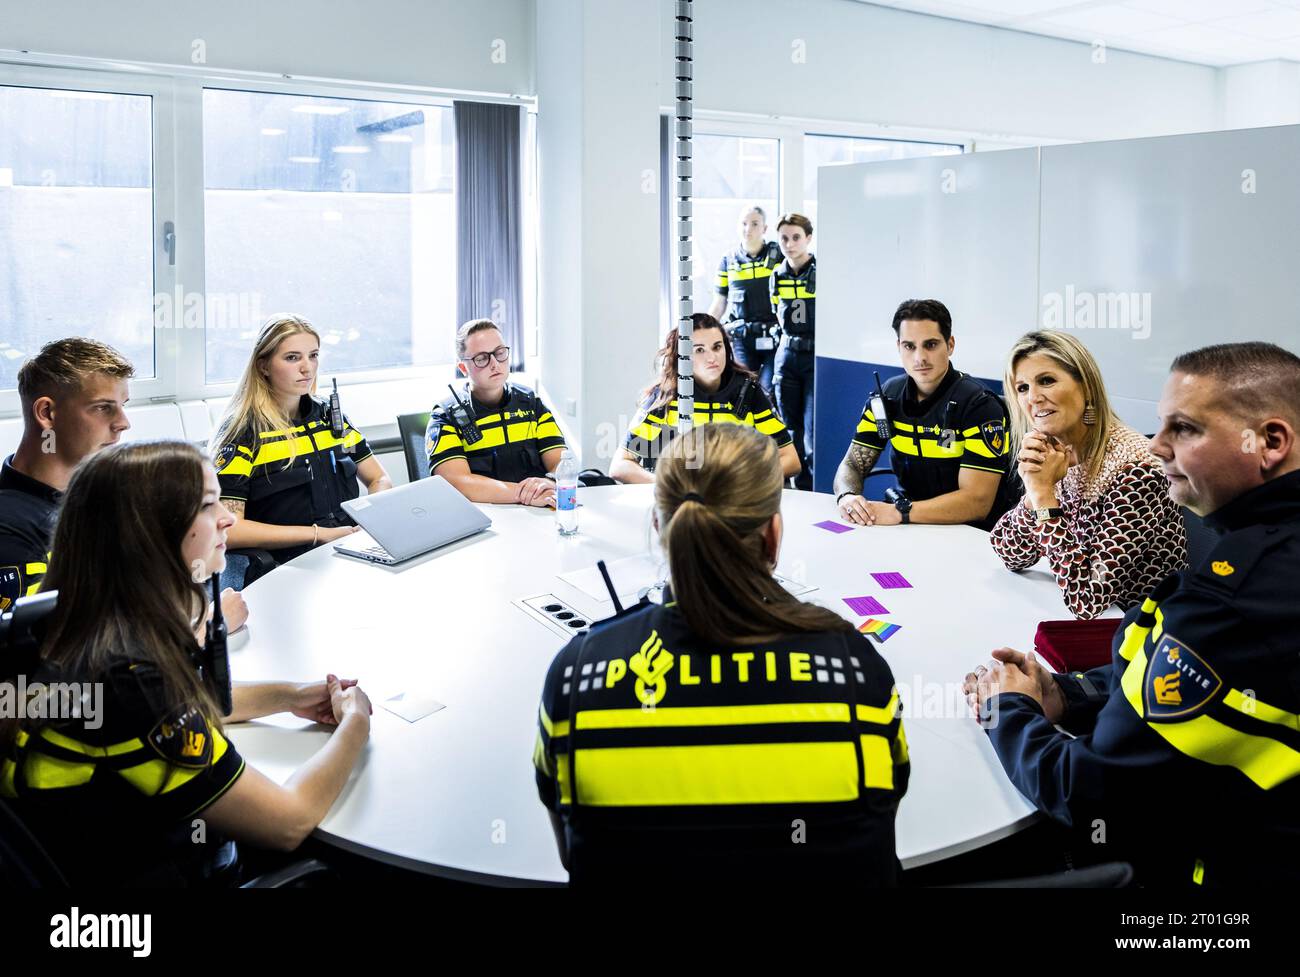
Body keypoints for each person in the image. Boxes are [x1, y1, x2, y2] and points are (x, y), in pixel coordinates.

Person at [963, 342, 1300, 888]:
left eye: (1184, 429)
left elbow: (1091, 791)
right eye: (1022, 387)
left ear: (1270, 442)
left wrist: (1008, 710)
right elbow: (1010, 548)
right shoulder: (1063, 453)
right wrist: (1067, 695)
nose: (1158, 445)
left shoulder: (1219, 594)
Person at [535, 424, 907, 884]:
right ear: (773, 534)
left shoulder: (576, 678)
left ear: (659, 527)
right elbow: (877, 834)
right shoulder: (855, 671)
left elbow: (574, 852)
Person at [0, 440, 372, 885]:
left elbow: (173, 707)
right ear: (151, 532)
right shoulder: (131, 680)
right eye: (208, 506)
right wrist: (356, 723)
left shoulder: (71, 622)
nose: (228, 519)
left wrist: (288, 696)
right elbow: (287, 823)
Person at [989, 331, 1186, 620]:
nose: (1033, 398)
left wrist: (1044, 494)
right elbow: (1009, 552)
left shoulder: (1138, 469)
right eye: (1021, 387)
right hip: (1078, 619)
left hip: (1139, 634)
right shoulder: (1054, 449)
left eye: (1046, 381)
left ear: (1087, 387)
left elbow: (1088, 600)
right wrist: (1034, 493)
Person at [212, 315, 392, 566]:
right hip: (289, 563)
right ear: (263, 366)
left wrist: (369, 516)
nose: (307, 367)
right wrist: (319, 535)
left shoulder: (329, 418)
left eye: (313, 355)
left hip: (350, 548)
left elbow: (379, 478)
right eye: (292, 358)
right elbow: (229, 529)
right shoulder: (244, 433)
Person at [833, 299, 1015, 530]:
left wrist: (899, 512)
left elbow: (977, 503)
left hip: (970, 531)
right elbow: (852, 464)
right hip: (910, 525)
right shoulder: (888, 396)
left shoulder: (978, 405)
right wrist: (847, 497)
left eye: (930, 345)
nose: (920, 358)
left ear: (950, 345)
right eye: (909, 346)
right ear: (898, 347)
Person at [0, 338, 134, 605]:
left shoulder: (103, 493)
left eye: (123, 406)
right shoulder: (10, 530)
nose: (123, 423)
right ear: (47, 413)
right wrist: (199, 631)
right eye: (102, 407)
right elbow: (39, 643)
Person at [609, 313, 800, 483]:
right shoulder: (664, 396)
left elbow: (791, 460)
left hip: (733, 503)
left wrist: (743, 481)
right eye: (699, 350)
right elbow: (620, 465)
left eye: (717, 347)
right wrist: (665, 486)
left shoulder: (749, 392)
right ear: (681, 356)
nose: (712, 358)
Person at [426, 318, 567, 507]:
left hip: (537, 512)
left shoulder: (531, 403)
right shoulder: (445, 416)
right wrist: (524, 493)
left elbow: (560, 463)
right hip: (485, 519)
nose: (495, 364)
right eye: (482, 358)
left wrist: (550, 482)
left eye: (500, 353)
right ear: (463, 368)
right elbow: (457, 482)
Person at [707, 205, 783, 398]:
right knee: (744, 390)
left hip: (774, 338)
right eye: (744, 223)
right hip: (742, 339)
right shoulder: (728, 260)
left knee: (768, 390)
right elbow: (719, 303)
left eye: (754, 224)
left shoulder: (778, 256)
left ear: (765, 228)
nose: (748, 229)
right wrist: (704, 328)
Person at [771, 213, 817, 490]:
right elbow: (776, 312)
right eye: (784, 238)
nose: (789, 244)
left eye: (796, 237)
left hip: (814, 357)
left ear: (808, 238)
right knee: (789, 428)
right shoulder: (776, 275)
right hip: (786, 355)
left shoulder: (822, 271)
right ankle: (794, 487)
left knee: (811, 429)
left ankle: (812, 487)